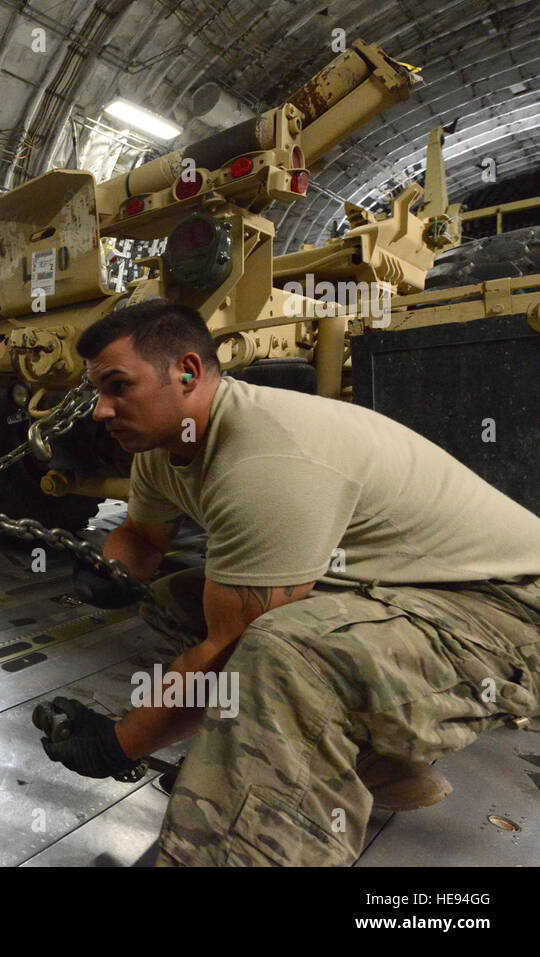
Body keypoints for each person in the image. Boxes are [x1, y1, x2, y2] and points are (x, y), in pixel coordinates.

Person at [40, 298, 540, 865]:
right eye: (97, 392)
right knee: (176, 598)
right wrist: (113, 568)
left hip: (510, 608)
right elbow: (142, 536)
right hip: (416, 586)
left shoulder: (263, 456)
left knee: (282, 657)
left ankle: (258, 838)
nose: (101, 411)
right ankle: (366, 763)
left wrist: (118, 743)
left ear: (187, 372)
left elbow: (229, 653)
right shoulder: (165, 447)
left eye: (117, 387)